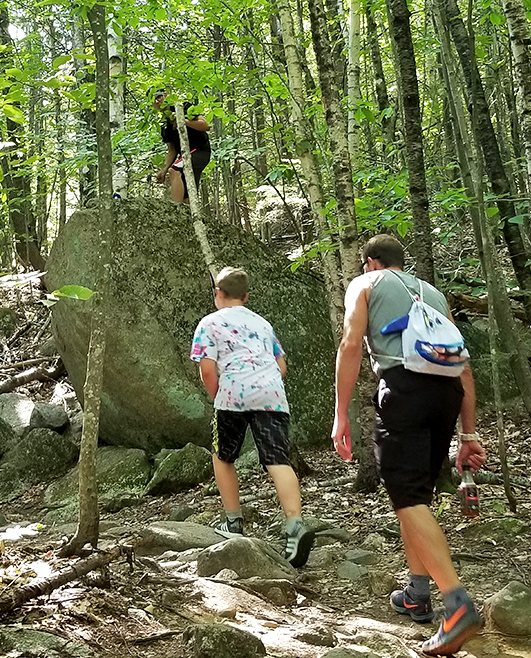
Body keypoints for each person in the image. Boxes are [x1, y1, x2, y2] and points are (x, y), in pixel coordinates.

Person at [332, 235, 486, 657]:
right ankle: (417, 593)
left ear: (370, 262)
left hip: (404, 391)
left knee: (408, 497)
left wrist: (341, 412)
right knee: (415, 497)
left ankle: (457, 603)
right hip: (446, 394)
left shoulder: (365, 285)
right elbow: (464, 368)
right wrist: (468, 435)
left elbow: (350, 344)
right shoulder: (433, 294)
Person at [190, 266, 315, 568]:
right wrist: (264, 384)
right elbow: (281, 365)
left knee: (223, 456)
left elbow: (207, 370)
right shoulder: (262, 323)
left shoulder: (209, 323)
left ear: (217, 293)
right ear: (246, 297)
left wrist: (219, 395)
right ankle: (295, 525)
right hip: (272, 395)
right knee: (277, 460)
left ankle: (233, 522)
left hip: (232, 393)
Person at [152, 90, 211, 203]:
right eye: (154, 100)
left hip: (200, 151)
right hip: (185, 155)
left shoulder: (183, 107)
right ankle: (187, 210)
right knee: (187, 193)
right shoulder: (164, 124)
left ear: (166, 95)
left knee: (174, 170)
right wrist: (163, 170)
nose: (157, 101)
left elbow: (206, 126)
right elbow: (172, 150)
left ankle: (176, 208)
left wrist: (183, 121)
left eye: (159, 97)